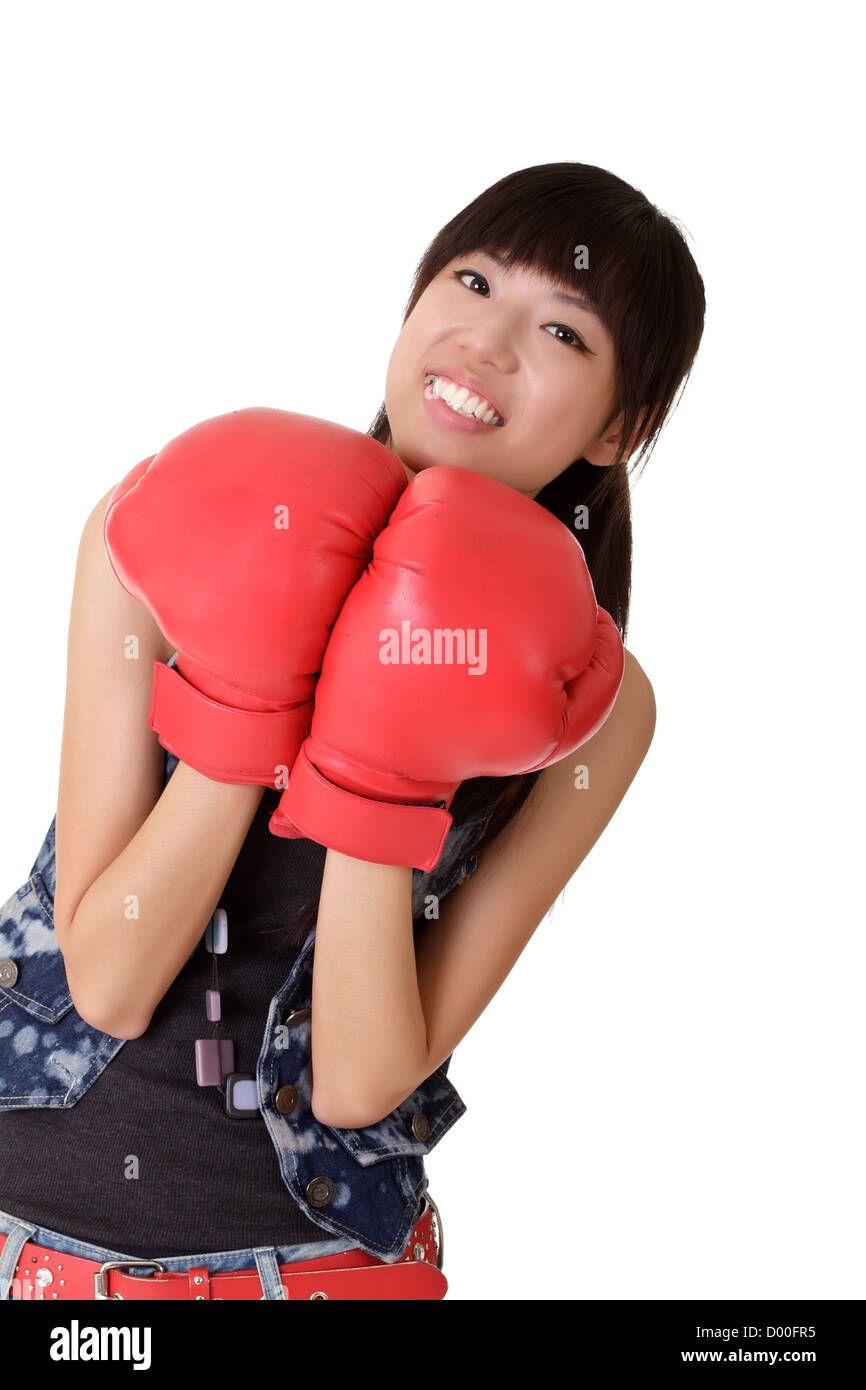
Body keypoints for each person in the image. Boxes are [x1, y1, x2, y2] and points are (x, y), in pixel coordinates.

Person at [0, 160, 705, 1301]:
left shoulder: (598, 709)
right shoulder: (165, 517)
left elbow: (360, 1081)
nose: (486, 340)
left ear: (624, 425)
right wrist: (247, 695)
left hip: (321, 1270)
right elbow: (111, 981)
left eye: (563, 332)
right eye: (470, 280)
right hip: (30, 1246)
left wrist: (386, 764)